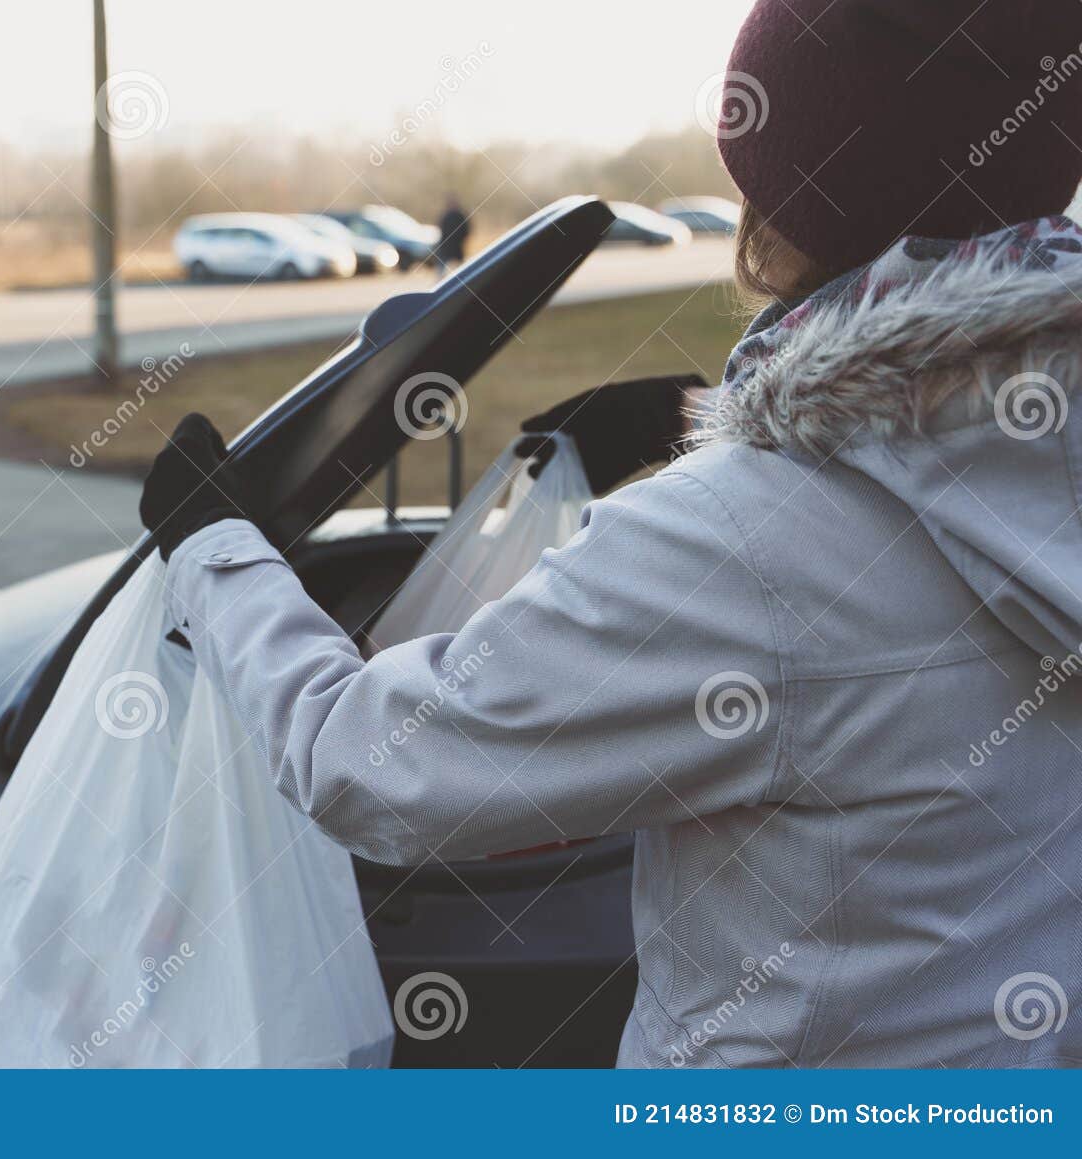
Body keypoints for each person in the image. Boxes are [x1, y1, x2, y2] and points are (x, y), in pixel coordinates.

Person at [139, 0, 1082, 1067]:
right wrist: (703, 423)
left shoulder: (741, 545)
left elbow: (370, 767)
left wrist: (212, 546)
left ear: (784, 199)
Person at [435, 195, 470, 274]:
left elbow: (466, 231)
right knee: (441, 269)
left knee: (462, 269)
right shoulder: (446, 216)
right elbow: (440, 229)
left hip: (456, 247)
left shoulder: (460, 216)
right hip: (447, 247)